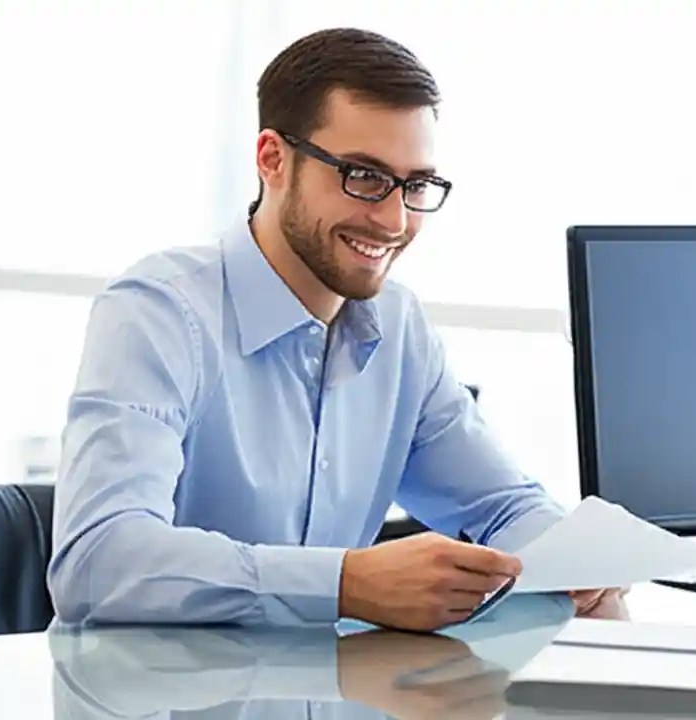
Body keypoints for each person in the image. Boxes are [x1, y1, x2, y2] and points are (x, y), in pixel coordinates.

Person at [48, 27, 615, 632]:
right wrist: (346, 583)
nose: (394, 219)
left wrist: (570, 560)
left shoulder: (400, 328)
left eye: (415, 185)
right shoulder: (159, 312)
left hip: (332, 690)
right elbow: (97, 561)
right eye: (363, 176)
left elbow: (502, 505)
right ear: (273, 159)